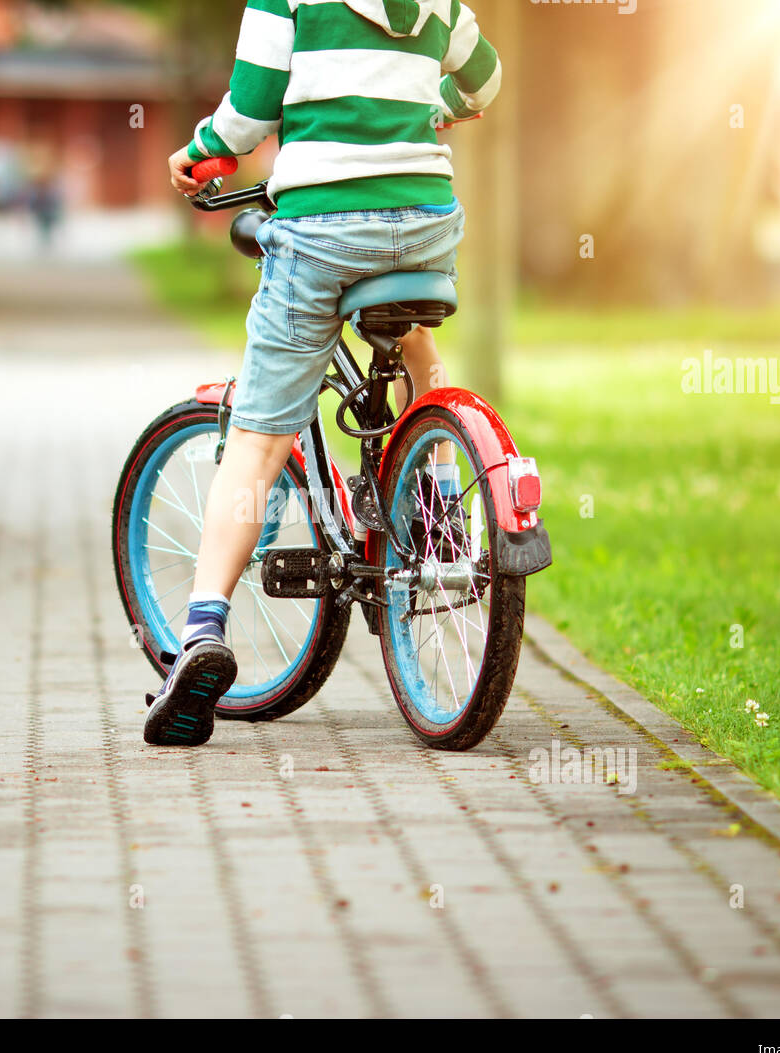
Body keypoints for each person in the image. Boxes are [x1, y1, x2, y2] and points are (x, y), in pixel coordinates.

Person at [144, 0, 501, 746]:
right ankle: (436, 498)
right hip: (428, 220)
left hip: (323, 228)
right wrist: (424, 114)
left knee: (259, 439)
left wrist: (201, 152)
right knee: (412, 348)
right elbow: (484, 83)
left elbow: (249, 112)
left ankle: (203, 628)